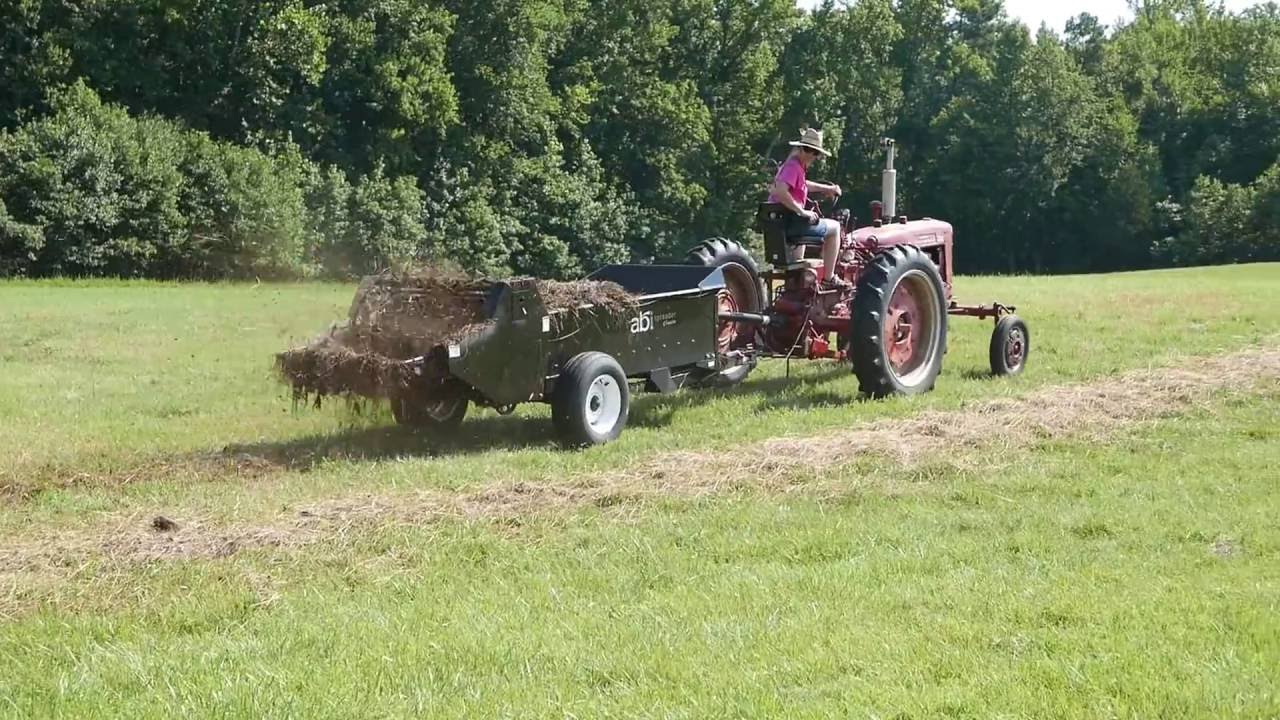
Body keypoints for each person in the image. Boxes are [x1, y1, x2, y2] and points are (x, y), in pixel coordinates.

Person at [768, 127, 847, 289]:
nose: (811, 155)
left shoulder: (794, 167)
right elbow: (780, 191)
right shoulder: (793, 167)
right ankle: (829, 278)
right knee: (835, 228)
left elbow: (802, 185)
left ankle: (797, 289)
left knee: (797, 266)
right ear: (800, 148)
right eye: (808, 150)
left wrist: (827, 189)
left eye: (815, 152)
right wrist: (802, 211)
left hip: (784, 223)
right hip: (792, 223)